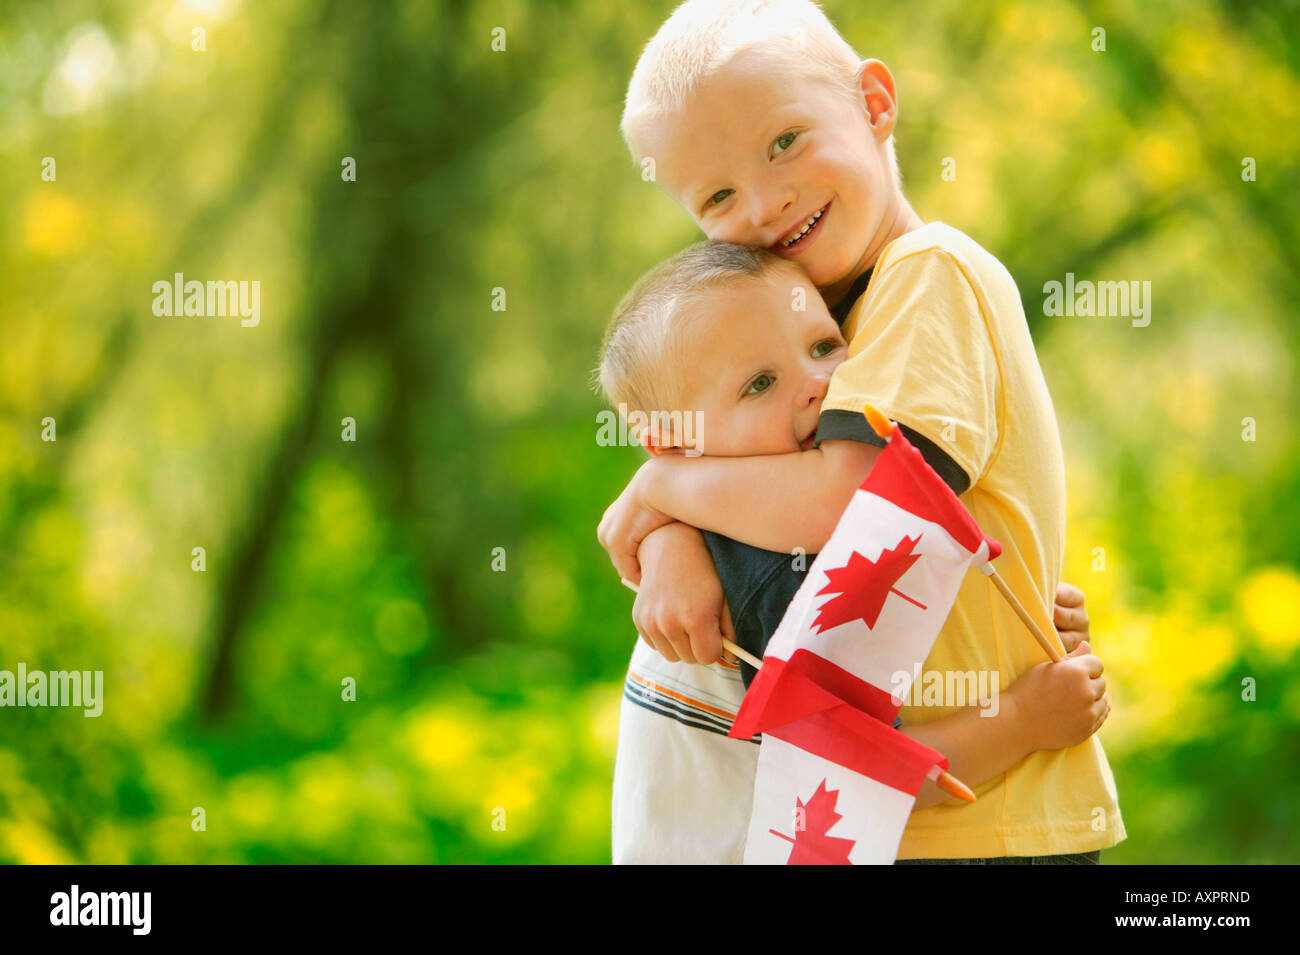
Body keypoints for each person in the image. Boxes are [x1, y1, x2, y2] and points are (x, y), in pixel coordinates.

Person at [598, 0, 1125, 862]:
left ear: (876, 103)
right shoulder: (826, 320)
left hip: (989, 821)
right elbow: (762, 497)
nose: (767, 202)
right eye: (721, 194)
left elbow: (845, 503)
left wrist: (657, 493)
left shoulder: (929, 275)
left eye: (785, 142)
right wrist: (673, 539)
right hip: (891, 815)